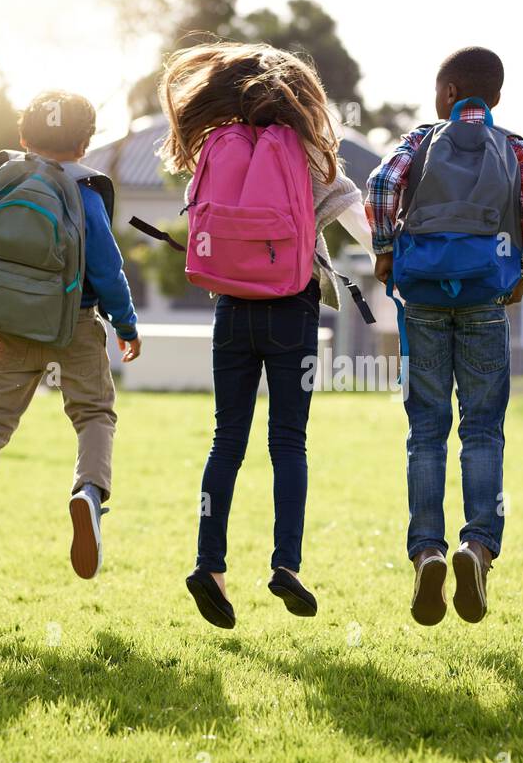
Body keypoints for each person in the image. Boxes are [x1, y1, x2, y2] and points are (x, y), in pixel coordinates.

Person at [159, 43, 375, 629]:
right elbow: (363, 226)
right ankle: (286, 564)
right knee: (289, 442)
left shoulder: (216, 148)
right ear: (301, 99)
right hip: (292, 311)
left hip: (231, 310)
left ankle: (210, 565)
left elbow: (198, 210)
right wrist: (393, 264)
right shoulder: (309, 154)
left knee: (226, 440)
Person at [367, 46, 523, 626]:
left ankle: (427, 550)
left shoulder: (421, 139)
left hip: (421, 293)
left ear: (448, 92)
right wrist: (520, 271)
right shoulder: (515, 146)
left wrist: (384, 253)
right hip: (484, 297)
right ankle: (478, 546)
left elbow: (379, 187)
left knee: (426, 430)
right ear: (494, 97)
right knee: (482, 429)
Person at [0, 91, 140, 590]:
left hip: (10, 328)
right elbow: (107, 268)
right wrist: (126, 324)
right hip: (74, 323)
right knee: (94, 413)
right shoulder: (86, 193)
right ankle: (89, 495)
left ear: (23, 137)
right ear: (83, 145)